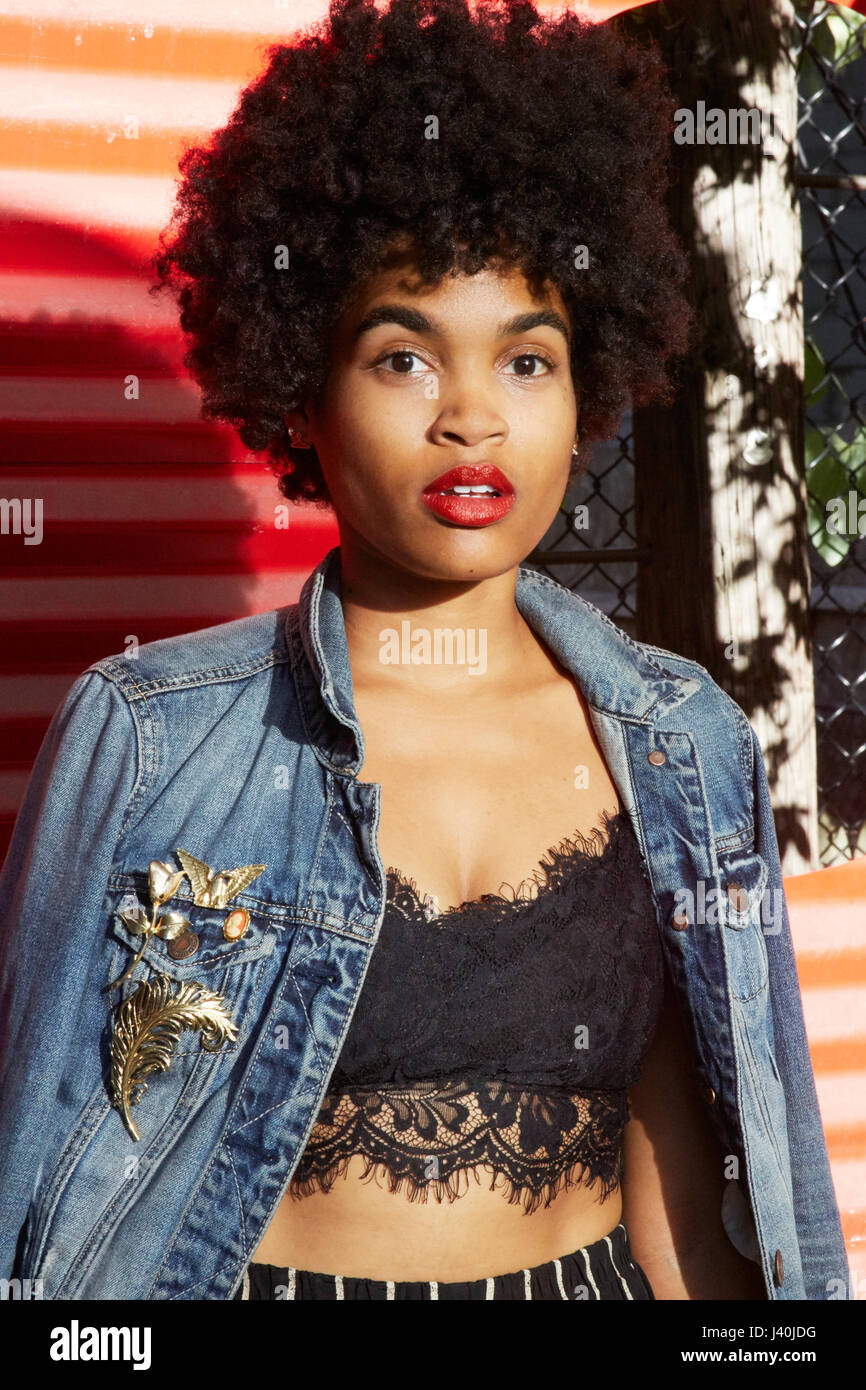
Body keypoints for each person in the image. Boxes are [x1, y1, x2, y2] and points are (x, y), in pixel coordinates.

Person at [0, 0, 850, 1302]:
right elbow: (39, 1163)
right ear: (302, 389)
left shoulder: (686, 739)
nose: (469, 417)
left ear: (587, 392)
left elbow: (697, 1174)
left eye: (526, 358)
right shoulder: (149, 731)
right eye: (403, 356)